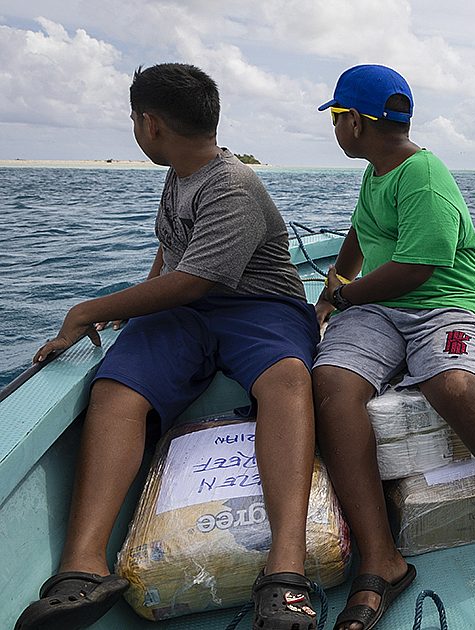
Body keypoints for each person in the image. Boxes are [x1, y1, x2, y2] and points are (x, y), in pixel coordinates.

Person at [16, 64, 322, 630]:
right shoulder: (180, 173)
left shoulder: (231, 184)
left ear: (149, 124)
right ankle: (81, 568)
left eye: (135, 119)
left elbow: (193, 281)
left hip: (260, 304)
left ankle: (285, 570)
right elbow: (173, 253)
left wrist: (86, 310)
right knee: (117, 385)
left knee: (286, 377)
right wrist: (138, 300)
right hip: (187, 310)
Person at [310, 64, 475, 630]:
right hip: (380, 308)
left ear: (355, 121)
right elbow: (360, 233)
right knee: (331, 383)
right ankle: (381, 560)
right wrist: (333, 291)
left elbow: (415, 269)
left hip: (444, 305)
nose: (335, 128)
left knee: (452, 384)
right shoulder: (377, 173)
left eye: (336, 117)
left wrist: (346, 295)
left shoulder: (423, 175)